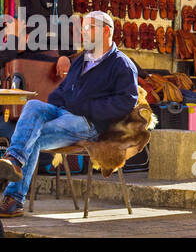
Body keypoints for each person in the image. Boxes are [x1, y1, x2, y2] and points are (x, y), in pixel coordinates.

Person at [0, 11, 138, 216]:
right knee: (33, 106)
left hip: (88, 123)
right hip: (64, 112)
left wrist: (88, 108)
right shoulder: (83, 59)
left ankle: (13, 198)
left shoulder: (121, 64)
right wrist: (57, 105)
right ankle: (14, 160)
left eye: (88, 28)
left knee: (33, 135)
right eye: (82, 28)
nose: (83, 32)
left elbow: (127, 101)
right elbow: (64, 89)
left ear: (106, 31)